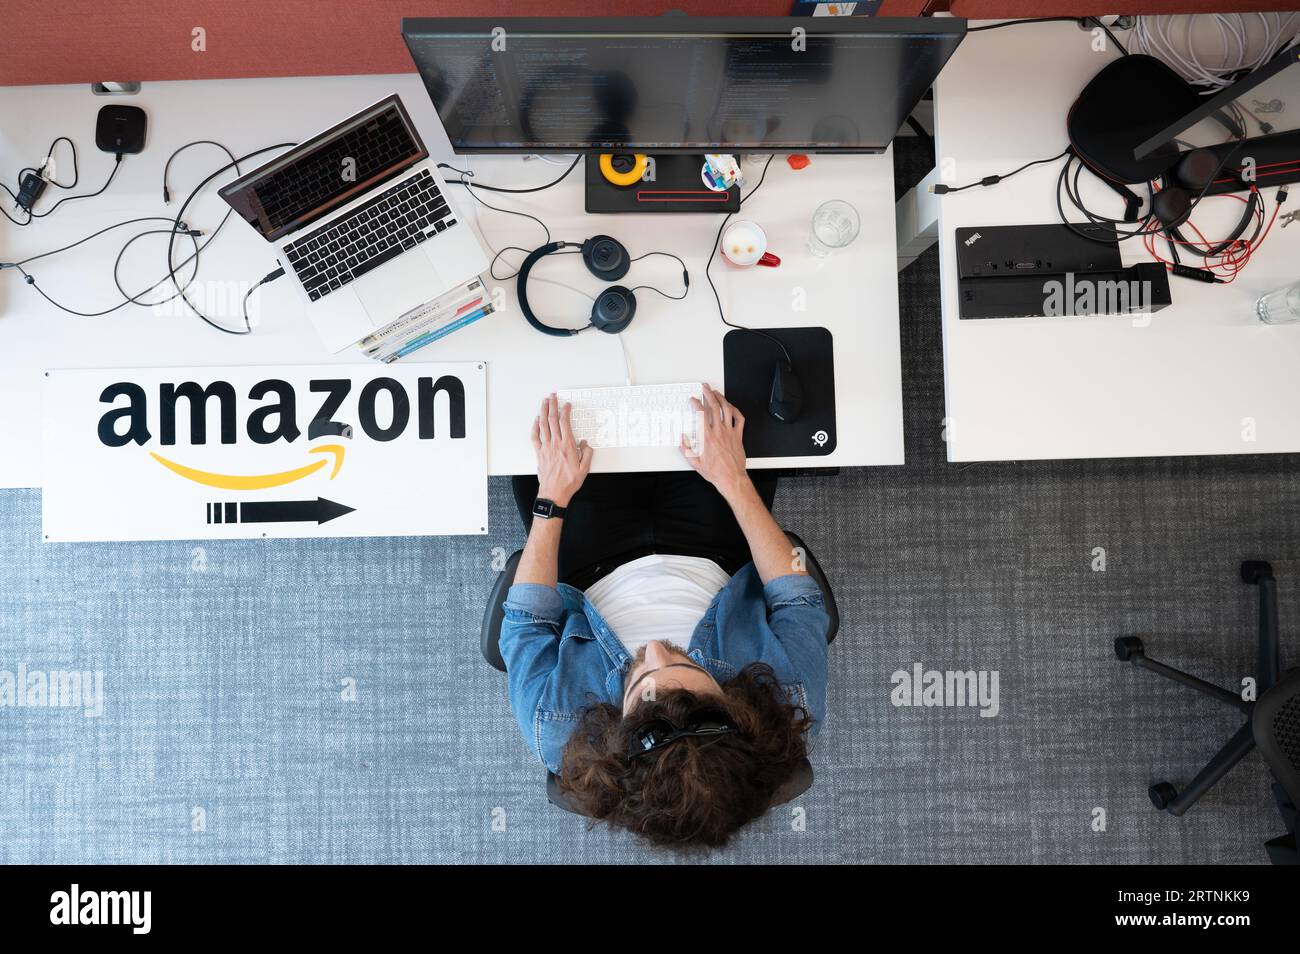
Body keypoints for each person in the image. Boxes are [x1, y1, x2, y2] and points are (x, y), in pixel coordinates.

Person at [500, 385, 830, 848]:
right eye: (687, 665)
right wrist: (733, 479)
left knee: (559, 394)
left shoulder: (557, 731)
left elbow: (527, 620)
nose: (653, 648)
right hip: (717, 545)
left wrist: (551, 500)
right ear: (734, 706)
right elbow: (796, 596)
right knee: (712, 389)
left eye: (639, 679)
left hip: (588, 557)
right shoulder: (786, 700)